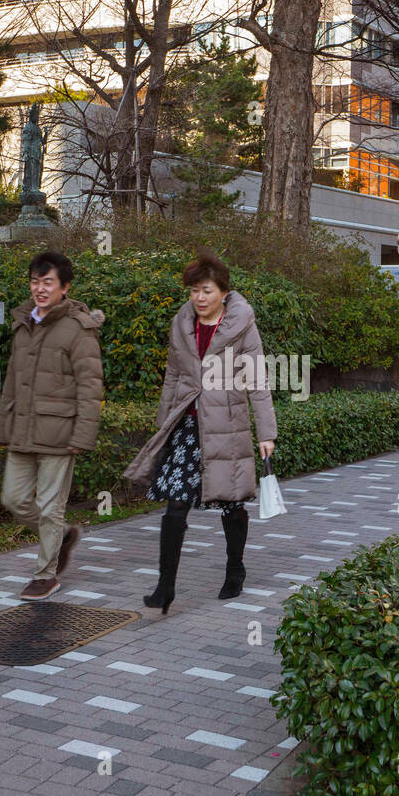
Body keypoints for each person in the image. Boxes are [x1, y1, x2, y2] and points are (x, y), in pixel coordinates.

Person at [124, 249, 277, 614]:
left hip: (227, 424)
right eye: (194, 291)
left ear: (223, 291)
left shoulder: (242, 324)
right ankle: (165, 586)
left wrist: (265, 433)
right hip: (188, 427)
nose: (200, 298)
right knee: (175, 507)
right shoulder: (182, 324)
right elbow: (173, 376)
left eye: (206, 290)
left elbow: (256, 380)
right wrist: (164, 423)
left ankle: (235, 568)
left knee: (231, 504)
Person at [0, 251, 104, 600]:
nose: (39, 289)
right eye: (34, 281)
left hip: (60, 432)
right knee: (13, 499)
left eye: (48, 282)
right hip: (23, 430)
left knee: (50, 508)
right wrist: (3, 427)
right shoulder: (23, 323)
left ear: (65, 287)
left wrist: (82, 435)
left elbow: (90, 386)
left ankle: (45, 574)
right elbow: (12, 381)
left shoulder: (78, 329)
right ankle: (64, 536)